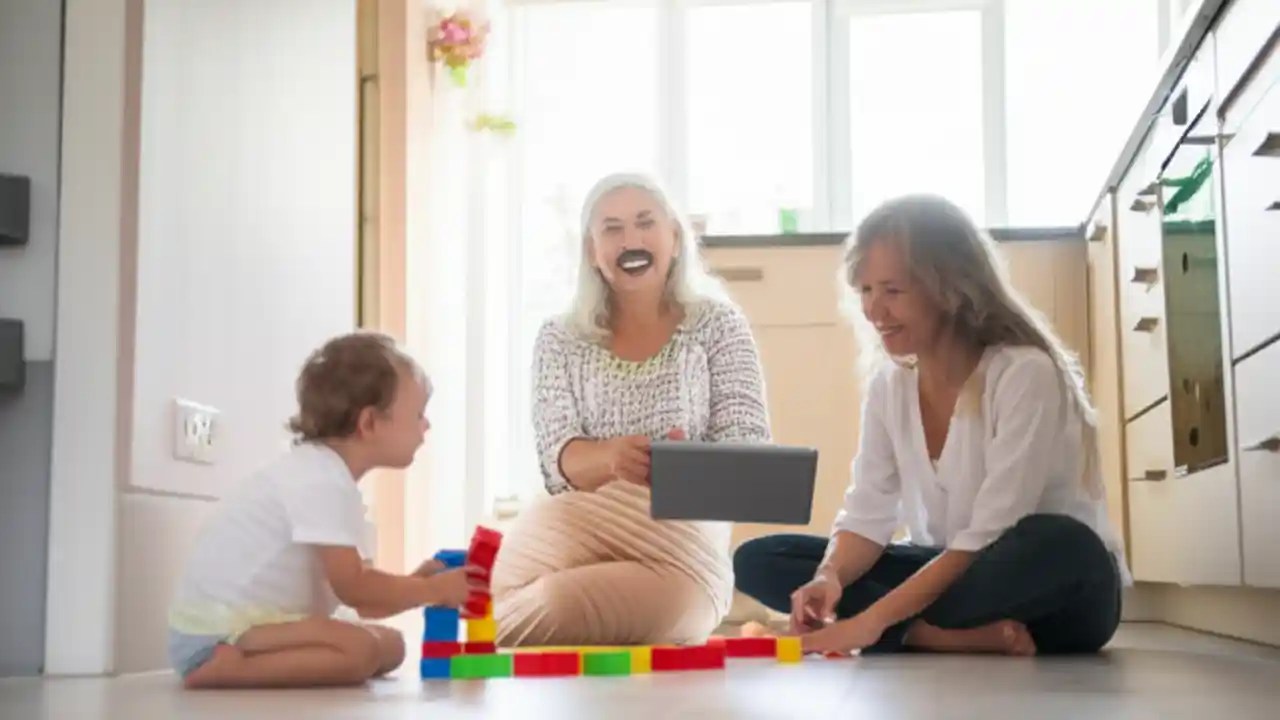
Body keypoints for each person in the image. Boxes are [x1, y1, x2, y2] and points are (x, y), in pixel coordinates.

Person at [733, 194, 1130, 656]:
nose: (874, 310)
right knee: (759, 559)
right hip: (952, 572)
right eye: (864, 290)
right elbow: (869, 510)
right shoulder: (890, 386)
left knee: (1066, 546)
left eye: (893, 290)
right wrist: (829, 577)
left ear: (951, 289)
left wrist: (865, 624)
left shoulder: (1024, 374)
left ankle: (900, 630)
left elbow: (988, 536)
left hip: (1046, 587)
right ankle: (938, 636)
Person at [491, 172, 770, 646]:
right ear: (592, 251)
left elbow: (750, 453)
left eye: (645, 223)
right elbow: (556, 460)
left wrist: (690, 468)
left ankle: (591, 614)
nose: (631, 240)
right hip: (578, 521)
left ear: (675, 239)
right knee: (502, 589)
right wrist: (611, 457)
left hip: (677, 540)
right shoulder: (559, 337)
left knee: (555, 607)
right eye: (612, 229)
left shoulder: (718, 325)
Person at [168, 332, 483, 688]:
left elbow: (368, 603)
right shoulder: (321, 481)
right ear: (369, 423)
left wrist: (418, 582)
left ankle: (237, 658)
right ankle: (223, 668)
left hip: (254, 625)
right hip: (217, 635)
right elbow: (356, 590)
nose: (426, 426)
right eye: (418, 414)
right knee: (361, 651)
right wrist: (433, 591)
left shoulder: (329, 478)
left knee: (392, 646)